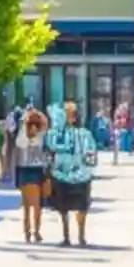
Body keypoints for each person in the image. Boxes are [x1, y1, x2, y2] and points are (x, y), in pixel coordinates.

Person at [47, 102, 97, 247]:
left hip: (81, 176)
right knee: (63, 207)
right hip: (61, 175)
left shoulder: (85, 134)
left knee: (81, 207)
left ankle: (81, 235)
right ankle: (66, 236)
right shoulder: (56, 134)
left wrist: (87, 169)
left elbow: (91, 154)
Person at [14, 108, 49, 243]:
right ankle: (34, 231)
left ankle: (30, 231)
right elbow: (45, 123)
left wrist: (27, 118)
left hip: (27, 170)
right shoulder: (38, 136)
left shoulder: (26, 136)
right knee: (34, 205)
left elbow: (44, 124)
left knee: (29, 205)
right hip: (33, 170)